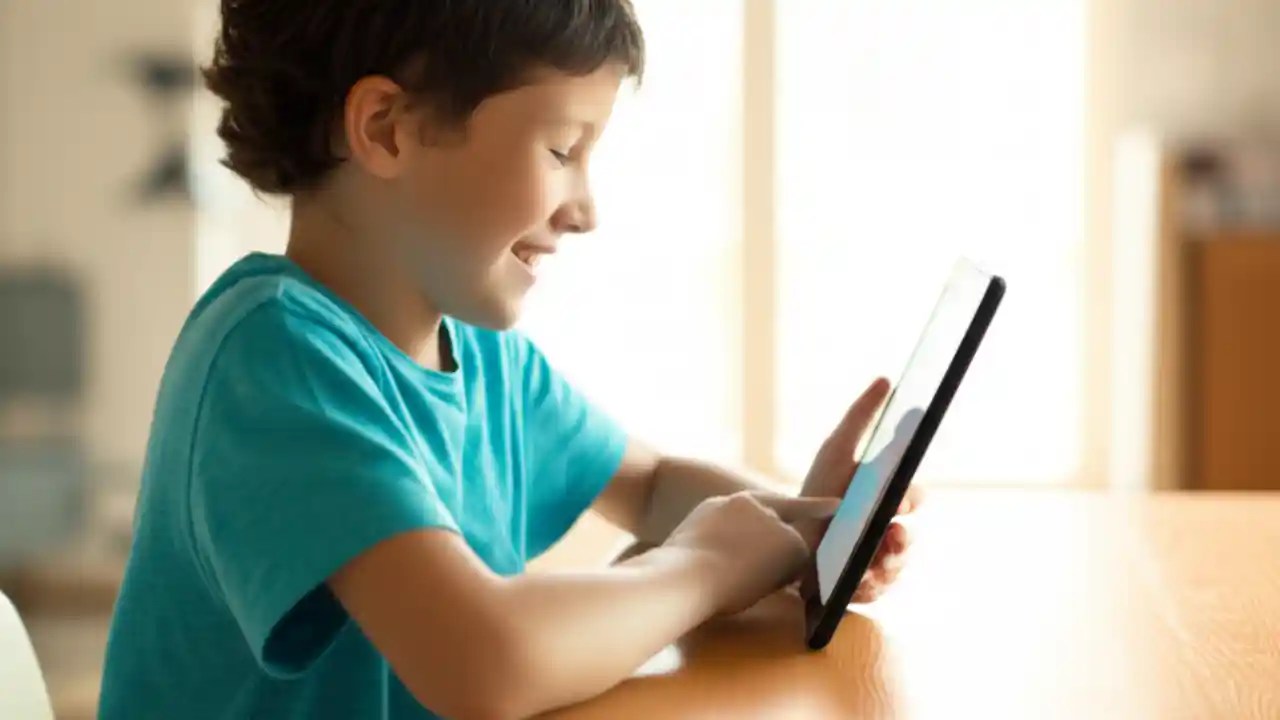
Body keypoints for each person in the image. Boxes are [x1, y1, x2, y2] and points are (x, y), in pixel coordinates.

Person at [99, 2, 919, 718]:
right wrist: (704, 567)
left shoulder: (482, 356)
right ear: (386, 129)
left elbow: (656, 485)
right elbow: (485, 661)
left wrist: (804, 520)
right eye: (563, 150)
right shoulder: (275, 358)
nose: (587, 210)